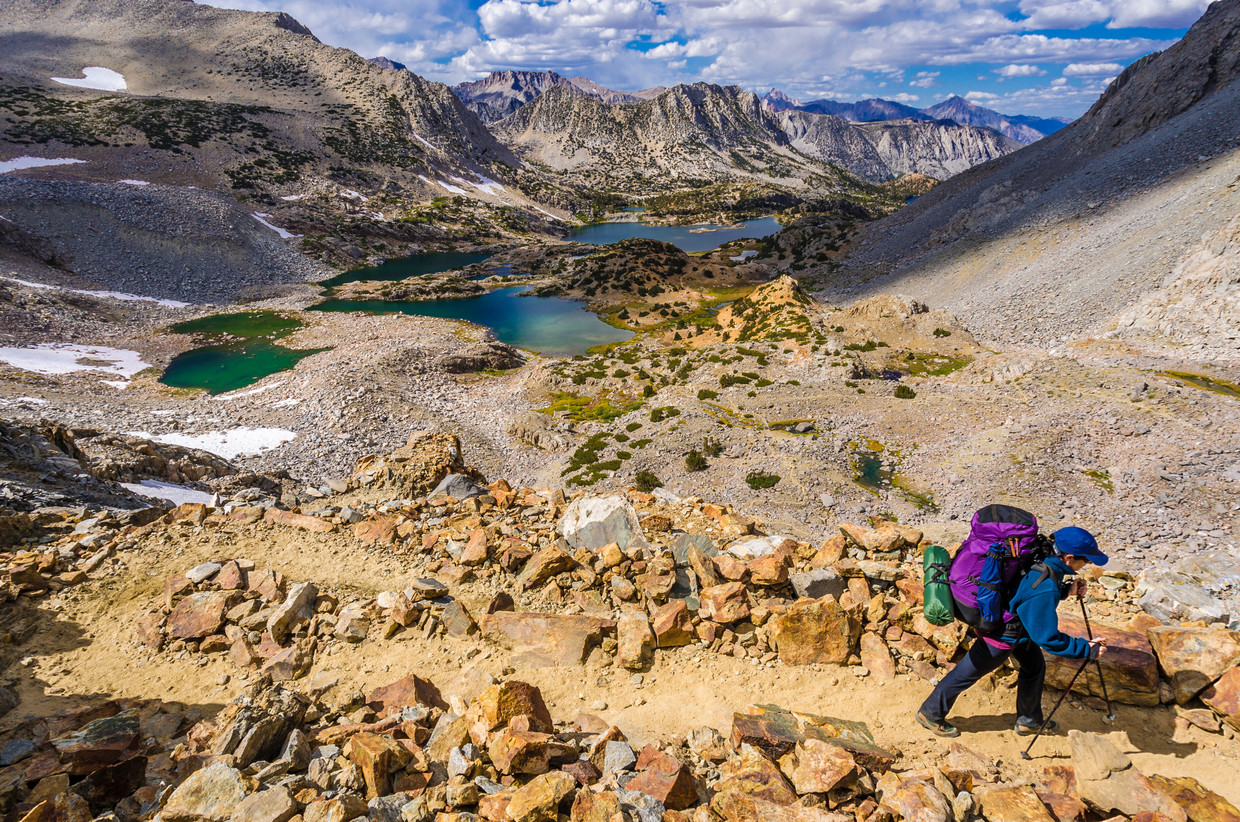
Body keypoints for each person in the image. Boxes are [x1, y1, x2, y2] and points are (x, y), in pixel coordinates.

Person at [916, 526, 1109, 738]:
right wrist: (1086, 649)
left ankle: (1029, 721)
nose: (1088, 564)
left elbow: (1024, 592)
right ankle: (930, 713)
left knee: (1034, 667)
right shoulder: (1046, 583)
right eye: (1087, 560)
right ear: (1069, 558)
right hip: (1003, 635)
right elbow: (1046, 637)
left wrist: (1066, 590)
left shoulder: (1039, 554)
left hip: (1017, 629)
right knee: (967, 673)